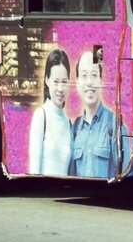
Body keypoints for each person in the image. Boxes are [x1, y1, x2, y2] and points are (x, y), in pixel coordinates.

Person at [69, 50, 118, 178]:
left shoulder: (114, 123)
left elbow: (124, 174)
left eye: (94, 75)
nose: (89, 82)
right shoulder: (75, 128)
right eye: (84, 76)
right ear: (78, 82)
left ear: (101, 81)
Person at [28, 48, 72, 175]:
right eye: (56, 81)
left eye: (64, 82)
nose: (60, 88)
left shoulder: (68, 122)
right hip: (44, 191)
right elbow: (34, 169)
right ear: (47, 80)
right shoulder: (41, 115)